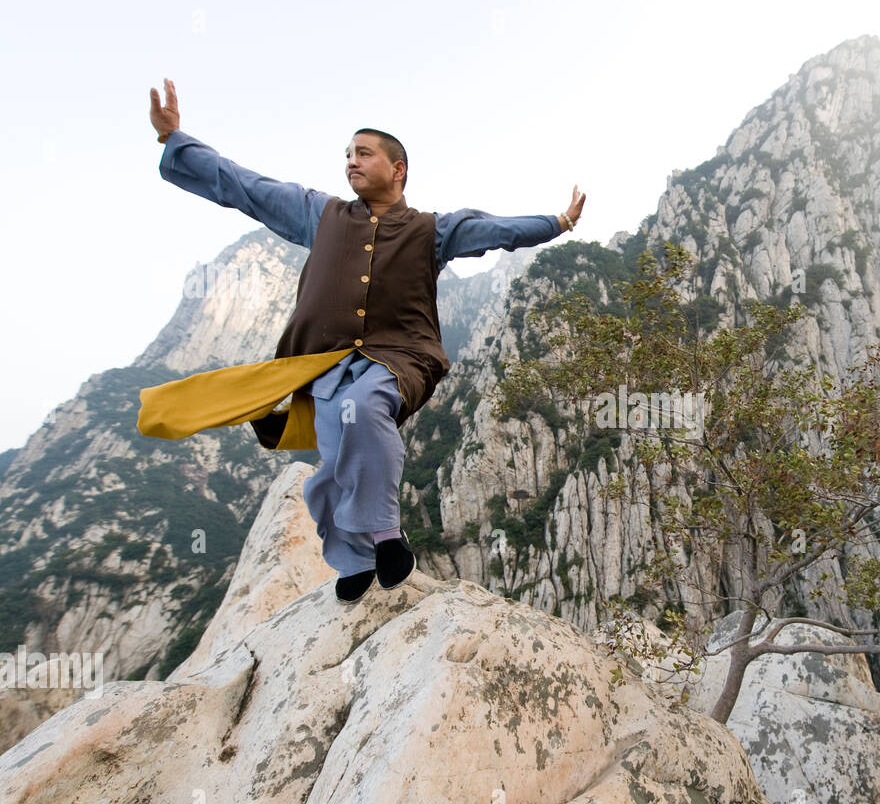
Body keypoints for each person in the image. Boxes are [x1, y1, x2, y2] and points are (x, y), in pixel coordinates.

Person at [139, 78, 585, 603]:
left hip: (402, 358)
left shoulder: (431, 231)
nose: (352, 162)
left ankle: (386, 535)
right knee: (334, 453)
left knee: (365, 404)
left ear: (397, 170)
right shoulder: (319, 213)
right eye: (347, 154)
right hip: (327, 363)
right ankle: (352, 559)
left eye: (364, 154)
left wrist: (556, 222)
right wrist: (176, 139)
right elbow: (246, 187)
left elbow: (494, 230)